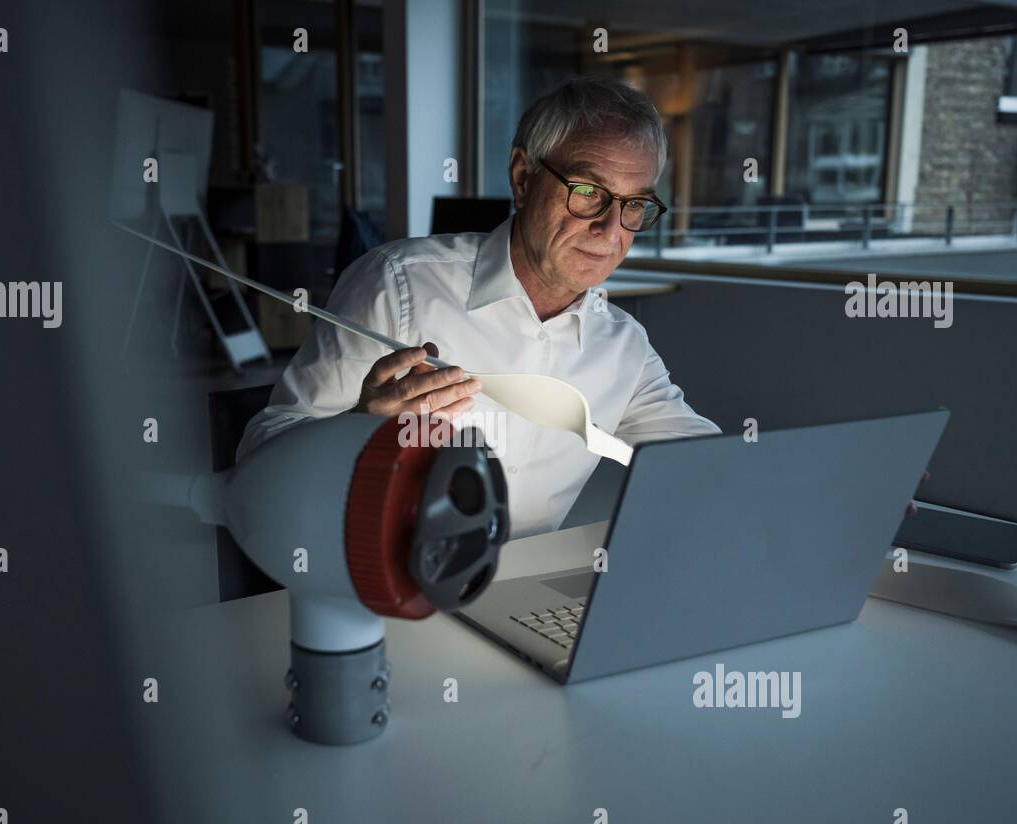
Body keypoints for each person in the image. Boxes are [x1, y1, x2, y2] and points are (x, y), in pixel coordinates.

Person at [236, 76, 723, 537]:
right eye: (588, 192)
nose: (611, 230)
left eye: (634, 205)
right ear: (523, 178)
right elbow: (257, 466)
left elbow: (712, 462)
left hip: (521, 600)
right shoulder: (397, 284)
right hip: (382, 593)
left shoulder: (623, 346)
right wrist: (357, 433)